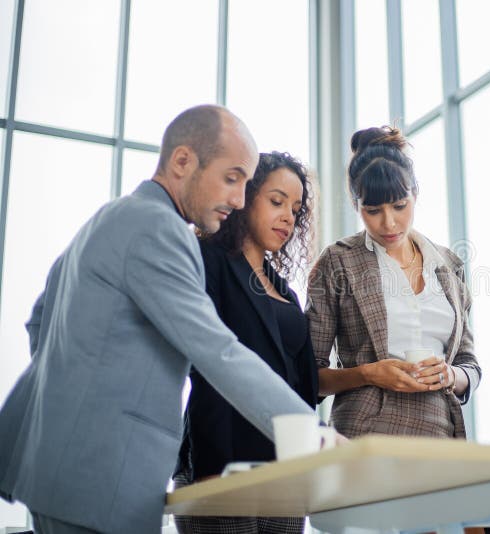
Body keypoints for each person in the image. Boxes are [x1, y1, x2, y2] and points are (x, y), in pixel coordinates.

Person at [0, 105, 323, 534]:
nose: (239, 200)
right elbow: (218, 352)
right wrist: (308, 432)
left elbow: (41, 321)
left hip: (62, 467)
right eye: (232, 178)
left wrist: (77, 401)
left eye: (246, 185)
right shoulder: (160, 229)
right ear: (183, 161)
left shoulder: (108, 218)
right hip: (103, 471)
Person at [173, 151, 318, 534]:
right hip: (223, 463)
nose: (288, 216)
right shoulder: (209, 260)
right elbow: (206, 366)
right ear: (244, 199)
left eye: (296, 208)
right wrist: (210, 468)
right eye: (276, 201)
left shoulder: (285, 290)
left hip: (284, 470)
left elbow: (301, 384)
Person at [306, 126, 481, 439]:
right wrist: (367, 374)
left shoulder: (449, 265)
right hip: (366, 432)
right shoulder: (338, 261)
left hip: (441, 436)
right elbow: (309, 376)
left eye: (400, 205)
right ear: (355, 204)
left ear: (415, 194)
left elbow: (469, 365)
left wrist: (450, 374)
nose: (388, 223)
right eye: (373, 210)